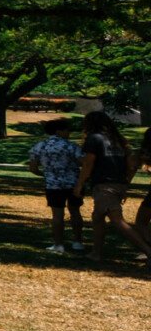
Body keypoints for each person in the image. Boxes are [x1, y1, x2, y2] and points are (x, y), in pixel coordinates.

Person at [75, 110, 151, 266]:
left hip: (104, 185)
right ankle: (96, 253)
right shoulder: (117, 140)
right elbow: (130, 165)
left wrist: (80, 184)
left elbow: (88, 164)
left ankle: (148, 251)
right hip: (117, 184)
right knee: (97, 217)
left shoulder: (94, 139)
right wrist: (125, 185)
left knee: (117, 221)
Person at [27, 117, 88, 255]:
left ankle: (58, 244)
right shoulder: (71, 146)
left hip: (53, 185)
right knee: (75, 212)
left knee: (57, 215)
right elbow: (84, 162)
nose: (69, 133)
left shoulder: (40, 146)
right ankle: (77, 241)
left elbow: (33, 167)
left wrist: (45, 174)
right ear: (59, 130)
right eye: (67, 130)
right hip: (73, 183)